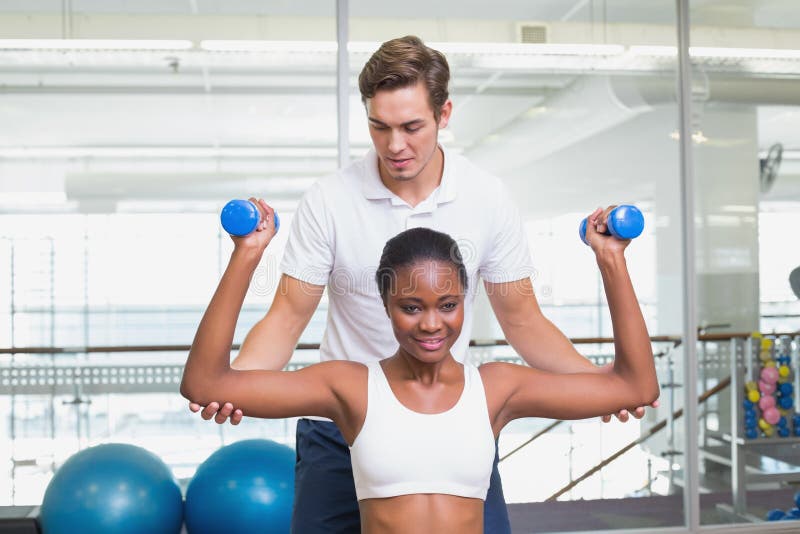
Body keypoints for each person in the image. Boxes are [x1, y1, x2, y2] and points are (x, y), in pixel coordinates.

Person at [189, 36, 656, 533]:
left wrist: (596, 385)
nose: (395, 145)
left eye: (411, 127)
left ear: (444, 114)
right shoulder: (330, 199)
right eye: (379, 127)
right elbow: (286, 317)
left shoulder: (486, 197)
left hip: (451, 421)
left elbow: (523, 319)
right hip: (341, 422)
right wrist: (237, 382)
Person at [181, 219, 660, 534]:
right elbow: (206, 384)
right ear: (386, 305)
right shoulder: (350, 388)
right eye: (411, 308)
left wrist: (611, 260)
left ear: (464, 300)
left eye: (447, 305)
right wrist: (247, 254)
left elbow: (635, 386)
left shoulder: (496, 388)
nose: (431, 324)